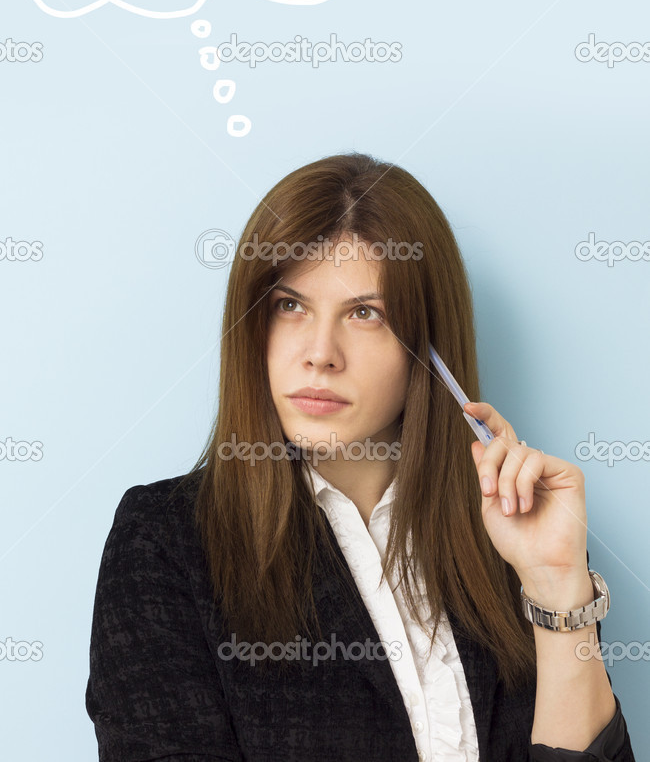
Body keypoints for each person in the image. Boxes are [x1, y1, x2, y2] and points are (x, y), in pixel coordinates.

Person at [85, 151, 636, 761]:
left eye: (365, 313)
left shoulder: (510, 537)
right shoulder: (165, 540)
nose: (320, 353)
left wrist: (559, 587)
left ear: (427, 351)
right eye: (289, 305)